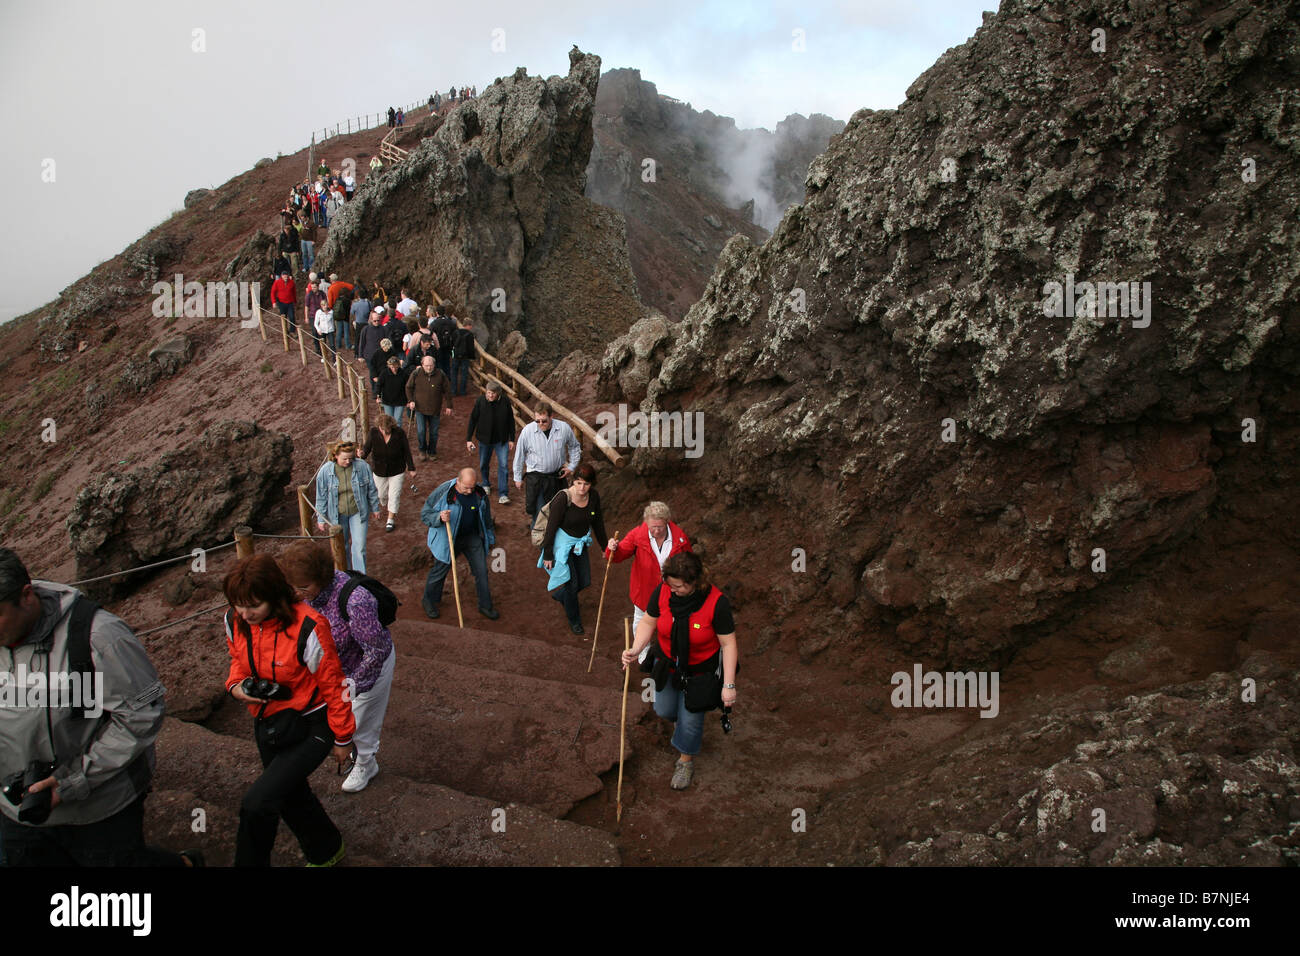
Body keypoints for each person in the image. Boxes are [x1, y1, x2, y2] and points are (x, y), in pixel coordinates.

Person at [0, 548, 196, 867]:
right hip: (19, 815)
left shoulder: (98, 636)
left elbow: (140, 717)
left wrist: (74, 781)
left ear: (25, 595)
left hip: (100, 809)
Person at [222, 555, 354, 865]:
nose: (244, 613)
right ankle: (327, 849)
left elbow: (333, 683)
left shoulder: (308, 626)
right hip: (268, 719)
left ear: (274, 595)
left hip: (312, 724)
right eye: (238, 604)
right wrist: (236, 686)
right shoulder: (235, 620)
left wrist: (343, 737)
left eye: (253, 605)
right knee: (290, 793)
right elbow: (237, 661)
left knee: (257, 803)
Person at [280, 543, 395, 792]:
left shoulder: (356, 602)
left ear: (321, 579)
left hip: (367, 666)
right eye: (293, 587)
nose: (297, 593)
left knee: (359, 718)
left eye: (303, 587)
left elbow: (377, 650)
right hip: (338, 665)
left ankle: (365, 763)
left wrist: (353, 685)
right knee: (341, 715)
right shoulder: (308, 597)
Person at [620, 552, 737, 790]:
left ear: (695, 583)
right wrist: (635, 648)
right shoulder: (663, 591)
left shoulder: (716, 603)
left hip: (700, 672)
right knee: (663, 709)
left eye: (679, 586)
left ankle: (685, 760)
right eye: (669, 584)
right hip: (668, 664)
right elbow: (648, 622)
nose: (672, 590)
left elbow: (729, 644)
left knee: (691, 720)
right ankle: (682, 725)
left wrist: (729, 685)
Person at [420, 467, 499, 620]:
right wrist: (439, 517)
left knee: (482, 571)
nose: (469, 491)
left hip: (472, 537)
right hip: (448, 538)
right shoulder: (444, 491)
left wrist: (490, 537)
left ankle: (485, 606)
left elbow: (486, 518)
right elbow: (425, 514)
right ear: (458, 481)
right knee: (440, 571)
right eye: (466, 488)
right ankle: (429, 600)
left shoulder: (480, 493)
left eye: (472, 487)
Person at [539, 464, 608, 635]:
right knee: (572, 583)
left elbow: (597, 523)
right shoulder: (563, 499)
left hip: (580, 543)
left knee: (584, 581)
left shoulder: (594, 497)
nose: (582, 488)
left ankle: (562, 596)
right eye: (578, 483)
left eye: (586, 484)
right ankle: (574, 620)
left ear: (592, 484)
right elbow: (551, 528)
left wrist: (605, 546)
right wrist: (548, 554)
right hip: (561, 545)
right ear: (573, 482)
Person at [609, 501, 693, 636]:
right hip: (644, 592)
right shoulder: (637, 535)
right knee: (641, 625)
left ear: (667, 522)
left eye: (660, 527)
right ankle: (641, 655)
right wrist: (612, 549)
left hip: (672, 593)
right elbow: (618, 555)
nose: (656, 531)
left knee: (671, 626)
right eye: (653, 527)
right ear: (646, 522)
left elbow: (690, 564)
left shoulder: (680, 539)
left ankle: (669, 651)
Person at [513, 402, 581, 534]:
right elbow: (519, 454)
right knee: (539, 513)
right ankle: (540, 543)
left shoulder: (563, 428)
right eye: (537, 420)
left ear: (551, 416)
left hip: (557, 477)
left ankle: (557, 540)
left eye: (544, 421)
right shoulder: (527, 431)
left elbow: (574, 446)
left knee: (560, 510)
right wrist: (517, 477)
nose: (540, 424)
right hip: (536, 478)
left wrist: (572, 466)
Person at [314, 441, 380, 573]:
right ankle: (346, 574)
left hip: (358, 511)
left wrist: (375, 508)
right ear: (336, 456)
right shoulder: (325, 472)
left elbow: (371, 489)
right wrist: (321, 518)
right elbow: (321, 496)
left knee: (359, 547)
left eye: (351, 458)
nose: (348, 461)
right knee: (341, 546)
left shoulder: (362, 467)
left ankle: (360, 577)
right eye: (344, 459)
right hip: (337, 513)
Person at [360, 412, 416, 531]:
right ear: (379, 426)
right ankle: (385, 503)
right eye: (383, 429)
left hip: (397, 470)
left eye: (388, 429)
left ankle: (390, 519)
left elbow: (406, 451)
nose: (386, 432)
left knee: (394, 495)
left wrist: (411, 468)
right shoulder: (373, 433)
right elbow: (366, 449)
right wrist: (362, 453)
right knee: (381, 495)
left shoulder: (399, 433)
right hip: (379, 470)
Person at [466, 378, 515, 504]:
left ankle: (503, 493)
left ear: (498, 393)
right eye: (488, 392)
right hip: (484, 439)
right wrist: (468, 439)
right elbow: (473, 419)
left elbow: (511, 420)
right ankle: (486, 483)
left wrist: (512, 439)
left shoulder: (505, 402)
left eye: (493, 393)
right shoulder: (480, 401)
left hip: (501, 440)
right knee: (483, 463)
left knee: (503, 465)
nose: (490, 395)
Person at [406, 354, 454, 462]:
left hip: (435, 409)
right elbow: (408, 387)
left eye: (431, 365)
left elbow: (447, 390)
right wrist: (411, 400)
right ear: (422, 365)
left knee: (434, 432)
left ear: (434, 365)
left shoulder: (440, 374)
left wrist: (449, 406)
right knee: (421, 431)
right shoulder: (416, 373)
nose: (429, 368)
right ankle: (422, 450)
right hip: (420, 409)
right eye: (426, 365)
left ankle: (432, 451)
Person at [377, 354, 411, 426]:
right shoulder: (384, 373)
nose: (394, 369)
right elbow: (379, 385)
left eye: (396, 366)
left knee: (397, 420)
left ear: (399, 365)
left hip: (400, 400)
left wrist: (409, 399)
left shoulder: (404, 374)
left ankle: (397, 436)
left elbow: (408, 387)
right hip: (387, 400)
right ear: (389, 366)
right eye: (392, 367)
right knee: (388, 420)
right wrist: (378, 396)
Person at [450, 317, 477, 396]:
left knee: (454, 373)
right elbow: (471, 348)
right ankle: (462, 391)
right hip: (465, 357)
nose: (472, 327)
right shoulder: (470, 335)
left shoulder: (455, 332)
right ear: (468, 325)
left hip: (456, 355)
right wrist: (472, 357)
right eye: (471, 325)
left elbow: (452, 343)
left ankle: (453, 391)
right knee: (464, 374)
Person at [431, 303, 456, 379]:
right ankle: (448, 380)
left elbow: (430, 333)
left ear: (436, 313)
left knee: (439, 364)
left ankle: (440, 380)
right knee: (447, 363)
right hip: (448, 345)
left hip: (438, 346)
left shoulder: (434, 323)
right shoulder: (450, 322)